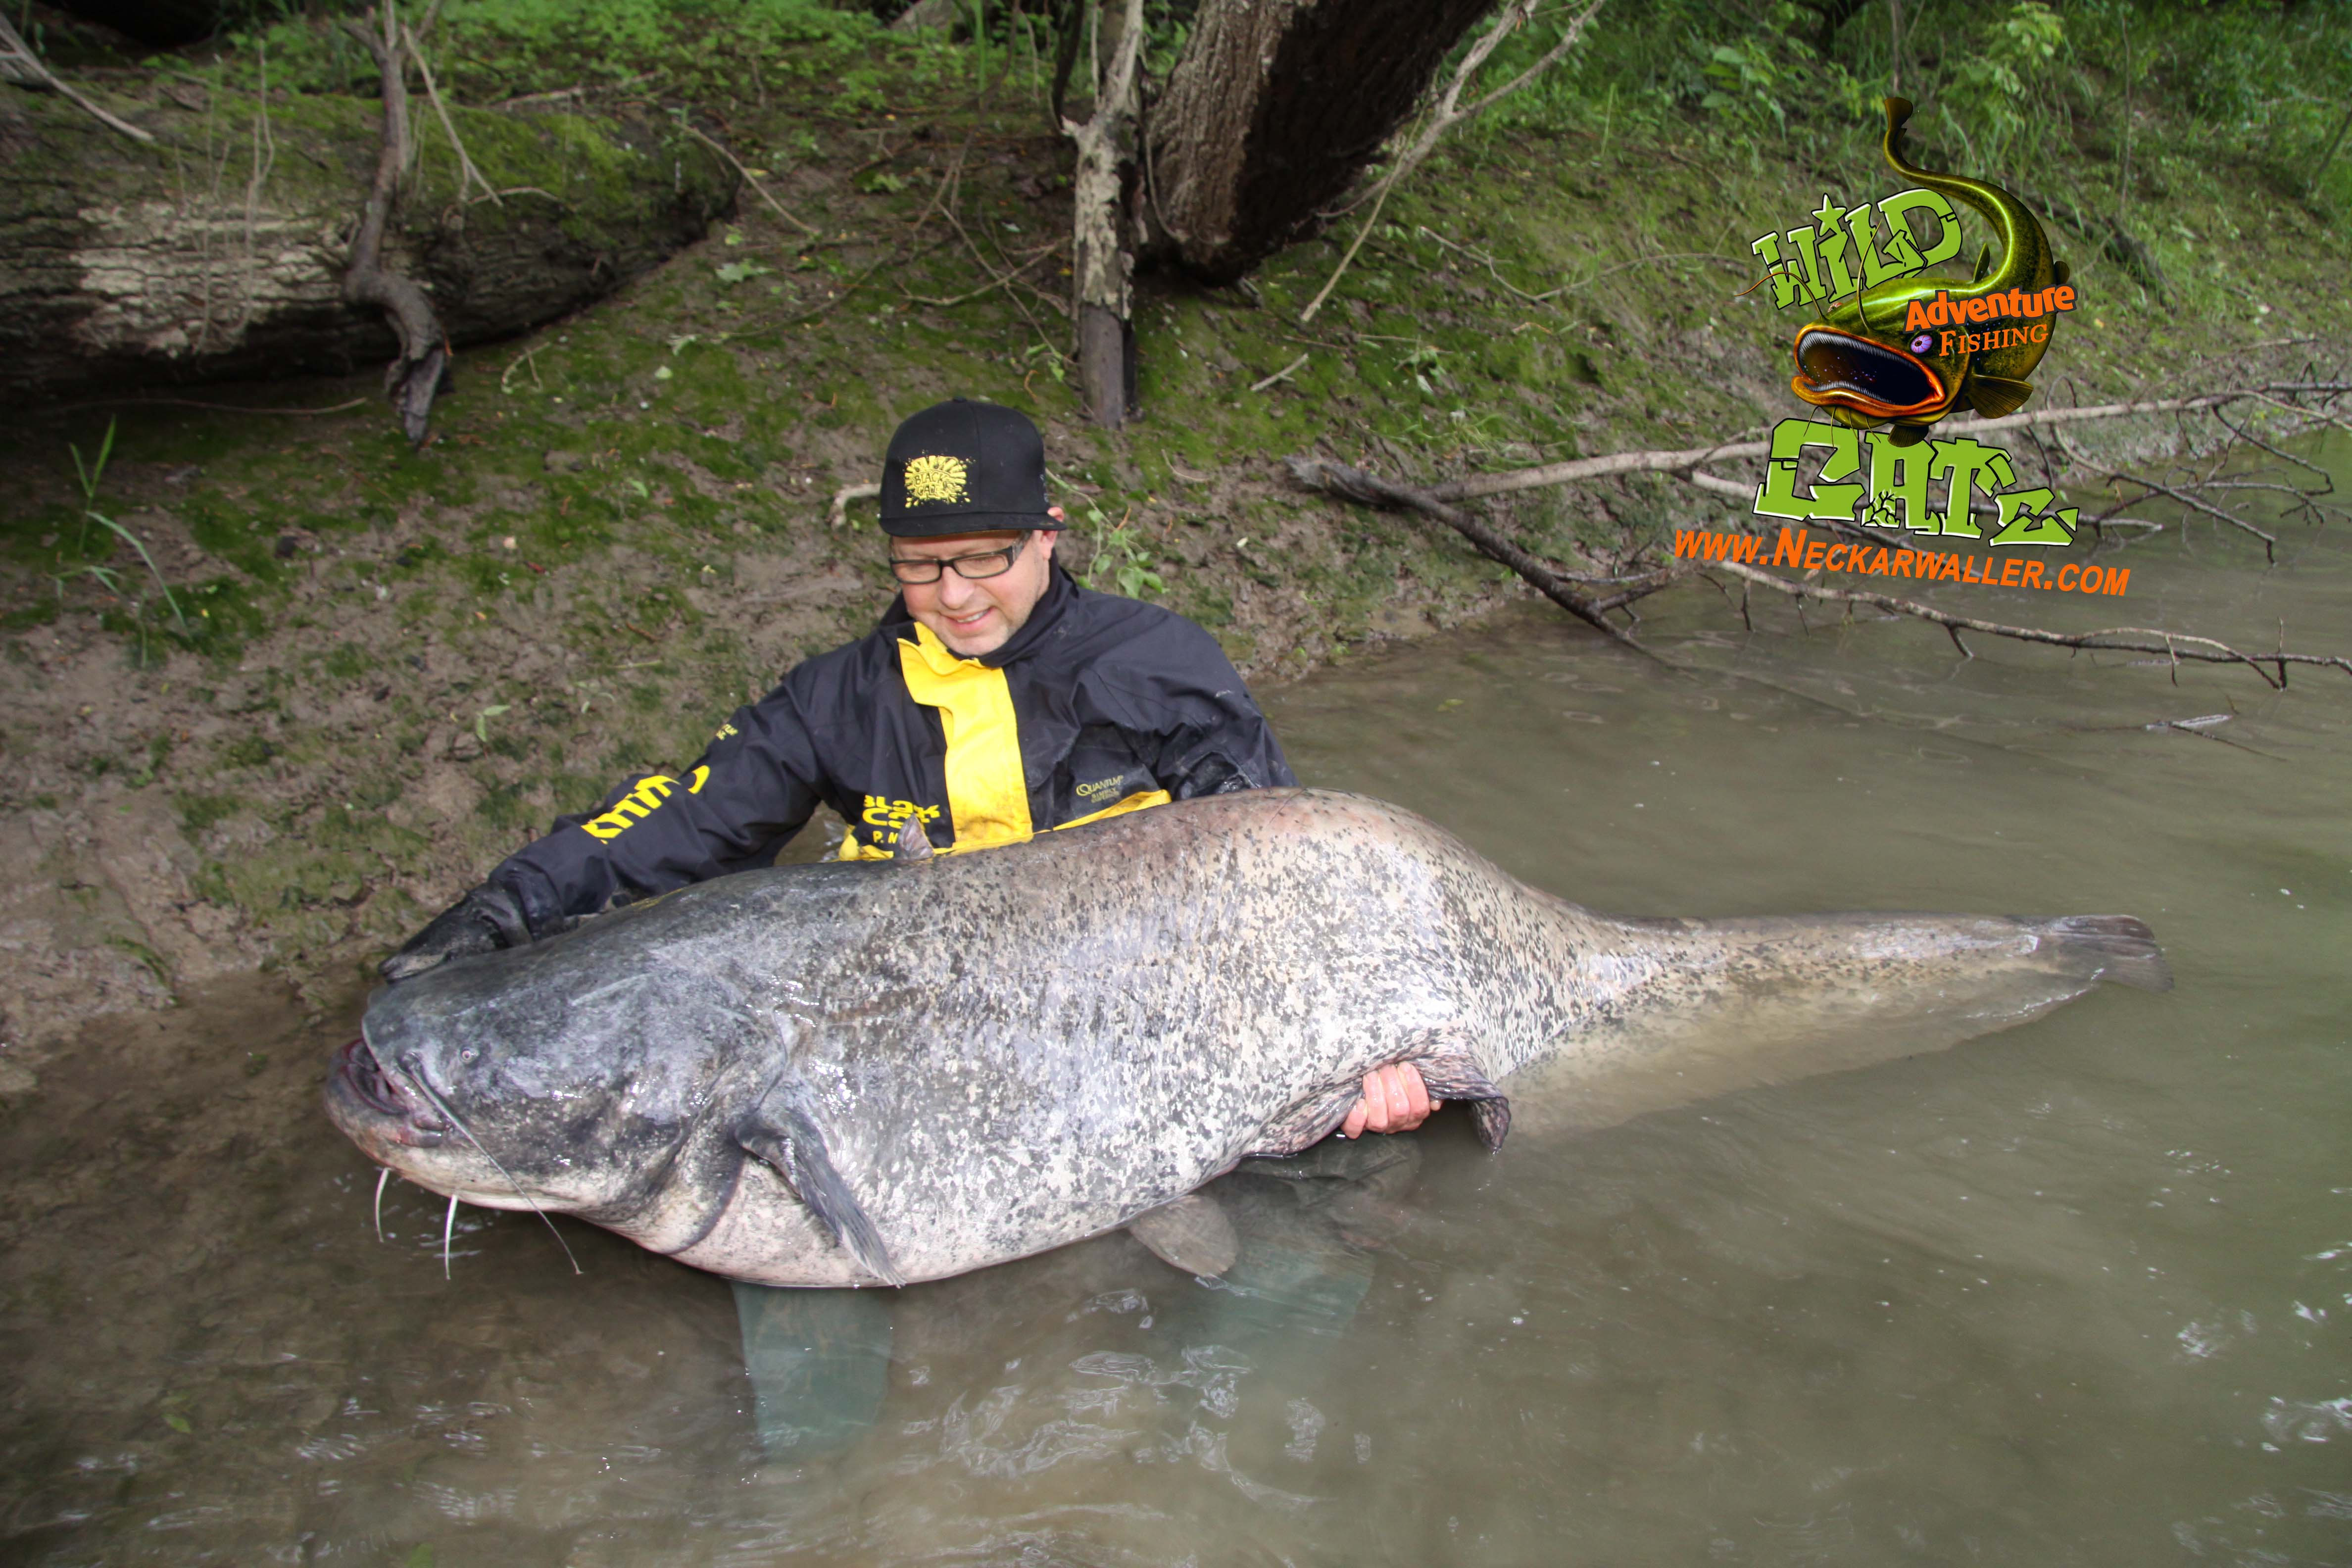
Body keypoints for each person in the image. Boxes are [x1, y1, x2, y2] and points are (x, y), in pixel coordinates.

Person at [381, 396, 1434, 1137]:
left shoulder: (1159, 664)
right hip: (923, 1039)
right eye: (921, 565)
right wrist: (505, 910)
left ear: (1048, 536)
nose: (955, 595)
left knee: (1312, 1218)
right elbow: (683, 821)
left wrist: (1367, 1048)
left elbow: (1281, 875)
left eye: (984, 557)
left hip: (1144, 1015)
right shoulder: (836, 696)